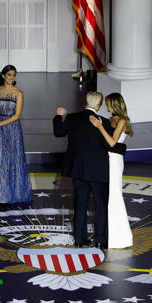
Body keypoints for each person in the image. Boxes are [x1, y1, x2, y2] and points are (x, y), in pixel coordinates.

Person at [53, 92, 112, 249]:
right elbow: (109, 145)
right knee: (100, 205)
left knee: (80, 204)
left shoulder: (72, 118)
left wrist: (58, 116)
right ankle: (100, 240)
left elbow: (58, 132)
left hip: (78, 169)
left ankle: (79, 240)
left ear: (85, 102)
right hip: (99, 170)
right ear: (99, 106)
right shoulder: (104, 122)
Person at [89, 92, 133, 249]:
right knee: (107, 199)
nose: (105, 106)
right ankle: (108, 236)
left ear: (114, 104)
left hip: (114, 161)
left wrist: (100, 126)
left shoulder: (122, 120)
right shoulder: (109, 120)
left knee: (115, 195)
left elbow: (113, 142)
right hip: (105, 160)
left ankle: (120, 238)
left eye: (107, 103)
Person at [0, 64, 32, 207]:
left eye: (14, 75)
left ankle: (13, 193)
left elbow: (17, 115)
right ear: (3, 76)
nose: (12, 78)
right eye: (9, 75)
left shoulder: (18, 93)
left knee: (13, 160)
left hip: (12, 129)